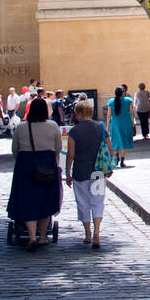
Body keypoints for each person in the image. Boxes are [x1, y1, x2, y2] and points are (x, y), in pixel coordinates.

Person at [7, 96, 62, 250]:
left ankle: (32, 237)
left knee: (27, 200)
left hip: (25, 164)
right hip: (46, 164)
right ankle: (43, 237)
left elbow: (15, 150)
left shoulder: (21, 127)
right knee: (46, 198)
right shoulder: (53, 126)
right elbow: (58, 148)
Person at [65, 99, 111, 248]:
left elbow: (70, 154)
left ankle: (88, 234)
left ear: (78, 114)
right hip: (98, 172)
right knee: (98, 202)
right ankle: (97, 231)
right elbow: (110, 149)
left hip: (80, 172)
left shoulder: (74, 131)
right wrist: (108, 167)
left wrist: (68, 172)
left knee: (83, 203)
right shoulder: (100, 128)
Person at [105, 86, 135, 167]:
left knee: (115, 140)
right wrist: (133, 121)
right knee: (124, 140)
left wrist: (107, 126)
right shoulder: (128, 101)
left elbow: (108, 115)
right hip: (126, 123)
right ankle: (122, 160)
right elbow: (132, 112)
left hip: (115, 123)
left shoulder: (111, 102)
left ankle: (116, 157)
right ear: (123, 93)